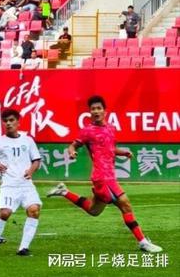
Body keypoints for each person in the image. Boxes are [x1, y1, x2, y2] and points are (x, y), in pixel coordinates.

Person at [47, 96, 163, 253]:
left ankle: (64, 191)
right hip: (103, 177)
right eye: (93, 109)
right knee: (125, 205)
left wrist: (123, 152)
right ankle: (142, 241)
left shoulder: (110, 128)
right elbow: (72, 145)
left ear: (104, 111)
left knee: (94, 210)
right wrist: (72, 152)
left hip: (109, 176)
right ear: (90, 112)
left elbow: (110, 149)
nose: (96, 111)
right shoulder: (87, 131)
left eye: (98, 108)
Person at [0, 108, 42, 256]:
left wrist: (31, 171)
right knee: (5, 213)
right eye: (5, 121)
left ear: (18, 122)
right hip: (9, 185)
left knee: (34, 210)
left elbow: (36, 160)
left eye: (11, 120)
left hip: (26, 184)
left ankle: (23, 248)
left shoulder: (27, 140)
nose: (8, 123)